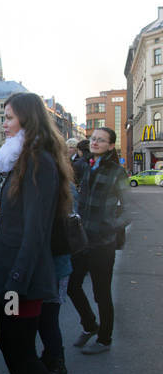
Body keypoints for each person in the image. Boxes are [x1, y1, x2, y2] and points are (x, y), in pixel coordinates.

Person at [0, 93, 74, 374]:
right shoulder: (19, 160)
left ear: (27, 120)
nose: (3, 123)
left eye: (8, 117)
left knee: (18, 344)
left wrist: (16, 280)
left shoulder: (38, 162)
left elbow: (35, 231)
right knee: (8, 339)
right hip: (10, 274)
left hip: (23, 278)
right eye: (3, 117)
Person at [70, 125, 126, 355]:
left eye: (101, 140)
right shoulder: (85, 166)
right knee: (72, 286)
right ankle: (90, 324)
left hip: (103, 244)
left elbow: (130, 209)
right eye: (93, 139)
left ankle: (104, 339)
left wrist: (109, 227)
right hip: (82, 240)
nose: (95, 143)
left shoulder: (117, 172)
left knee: (101, 293)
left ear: (111, 145)